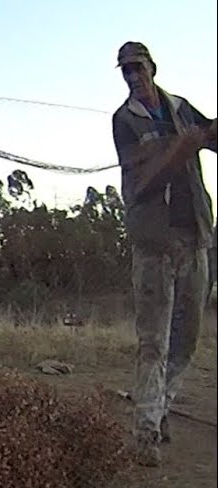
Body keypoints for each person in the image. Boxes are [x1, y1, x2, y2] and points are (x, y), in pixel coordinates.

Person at [111, 41, 217, 466]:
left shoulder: (180, 106)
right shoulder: (124, 121)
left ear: (153, 67)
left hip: (196, 236)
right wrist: (182, 148)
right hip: (154, 243)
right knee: (153, 340)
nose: (134, 76)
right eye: (126, 71)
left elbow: (209, 136)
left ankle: (162, 406)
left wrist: (205, 135)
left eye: (138, 68)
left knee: (187, 339)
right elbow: (143, 185)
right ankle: (145, 431)